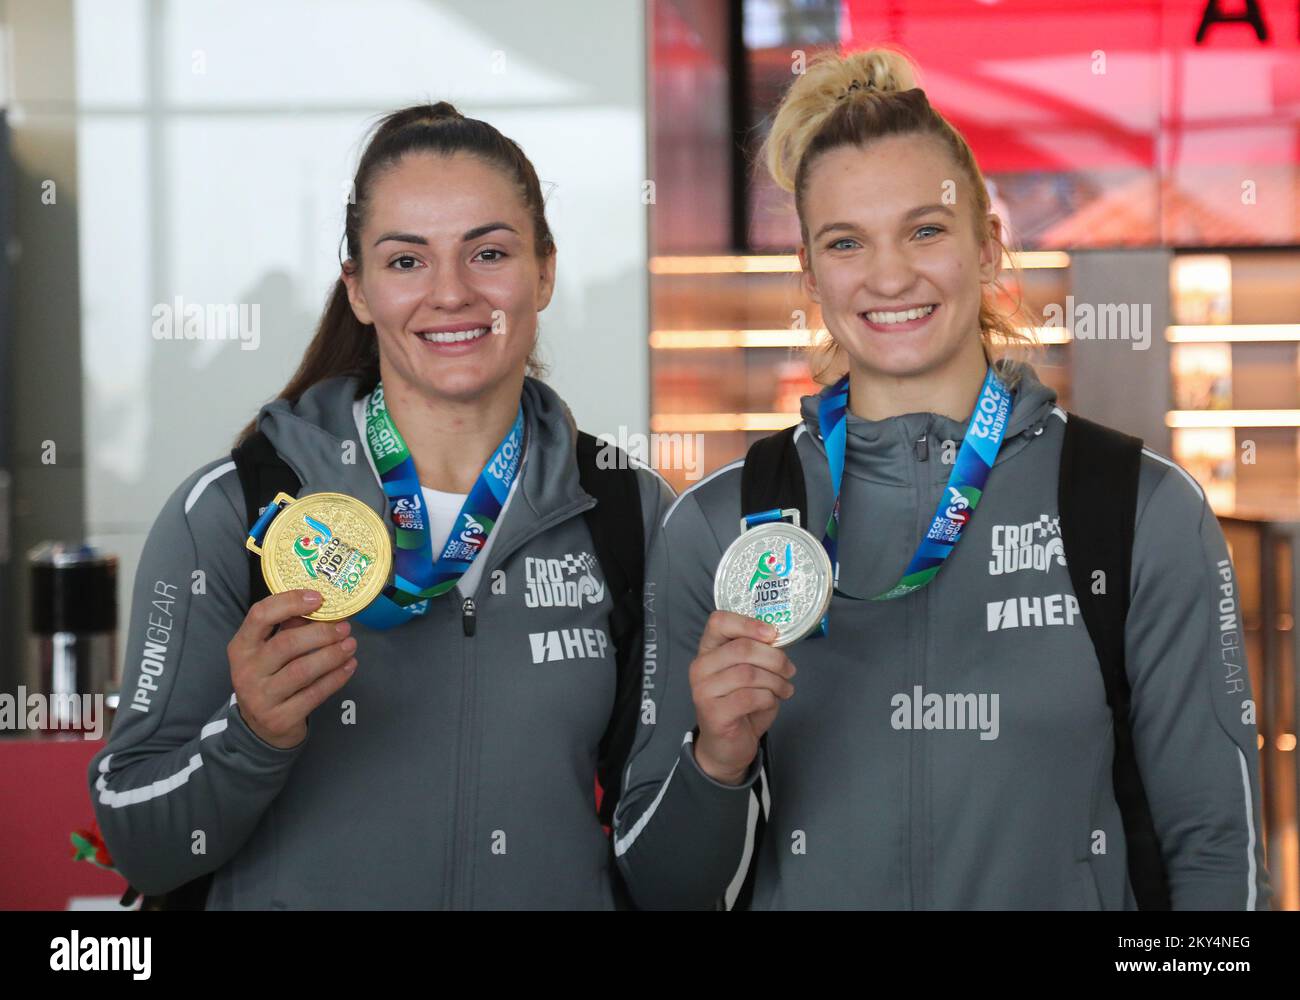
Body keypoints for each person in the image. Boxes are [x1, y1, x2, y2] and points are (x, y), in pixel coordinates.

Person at [612, 48, 1271, 910]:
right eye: (846, 243)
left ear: (990, 247)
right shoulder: (721, 525)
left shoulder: (1136, 508)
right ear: (810, 276)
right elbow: (661, 890)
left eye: (925, 230)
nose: (889, 277)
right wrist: (717, 761)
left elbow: (1218, 856)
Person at [89, 103, 672, 909]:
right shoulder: (238, 512)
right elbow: (140, 845)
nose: (451, 293)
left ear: (543, 272)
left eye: (489, 252)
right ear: (358, 290)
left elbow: (674, 867)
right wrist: (249, 736)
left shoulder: (627, 512)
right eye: (406, 262)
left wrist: (720, 762)